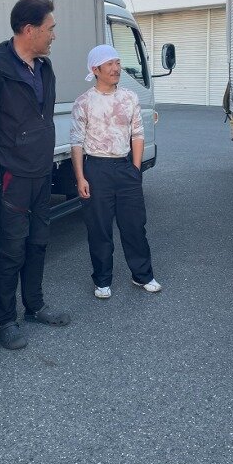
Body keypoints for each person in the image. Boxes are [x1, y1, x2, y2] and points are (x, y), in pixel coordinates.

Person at [0, 0, 70, 350]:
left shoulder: (44, 68)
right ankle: (5, 320)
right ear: (29, 30)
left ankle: (34, 306)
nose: (54, 35)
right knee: (12, 248)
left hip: (40, 170)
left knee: (38, 241)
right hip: (10, 175)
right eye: (50, 28)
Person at [70, 44, 162, 299]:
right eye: (110, 64)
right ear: (95, 69)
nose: (116, 68)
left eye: (118, 63)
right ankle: (102, 280)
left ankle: (142, 275)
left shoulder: (129, 97)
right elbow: (76, 143)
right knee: (99, 228)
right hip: (96, 168)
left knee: (134, 225)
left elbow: (138, 134)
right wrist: (80, 177)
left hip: (125, 167)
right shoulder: (84, 102)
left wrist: (135, 169)